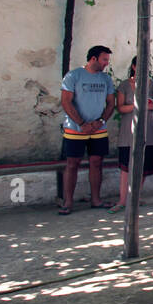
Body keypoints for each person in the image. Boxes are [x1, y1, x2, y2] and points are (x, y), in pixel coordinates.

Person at [59, 45, 115, 215]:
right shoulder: (73, 76)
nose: (107, 63)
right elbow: (66, 102)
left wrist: (101, 120)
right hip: (75, 129)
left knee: (97, 163)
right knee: (72, 164)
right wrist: (82, 123)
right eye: (104, 59)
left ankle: (96, 199)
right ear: (93, 59)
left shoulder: (106, 79)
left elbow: (111, 103)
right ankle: (68, 202)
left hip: (98, 129)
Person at [109, 56, 153, 215]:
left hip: (148, 129)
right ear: (134, 67)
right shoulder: (124, 85)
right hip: (129, 130)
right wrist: (139, 106)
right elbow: (121, 108)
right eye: (141, 66)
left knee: (144, 166)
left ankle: (135, 197)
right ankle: (123, 200)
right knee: (126, 167)